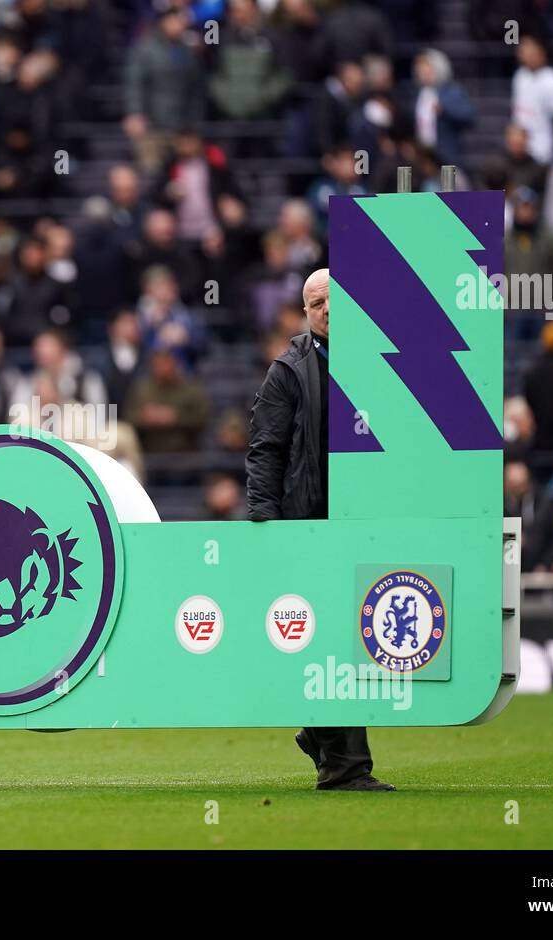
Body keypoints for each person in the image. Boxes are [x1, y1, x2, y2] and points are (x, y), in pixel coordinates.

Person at [245, 268, 394, 791]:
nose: (325, 308)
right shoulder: (287, 370)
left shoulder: (378, 359)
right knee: (333, 640)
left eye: (332, 298)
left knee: (348, 639)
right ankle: (344, 766)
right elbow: (267, 448)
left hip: (361, 522)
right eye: (315, 303)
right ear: (305, 314)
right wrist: (266, 519)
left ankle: (323, 736)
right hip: (310, 521)